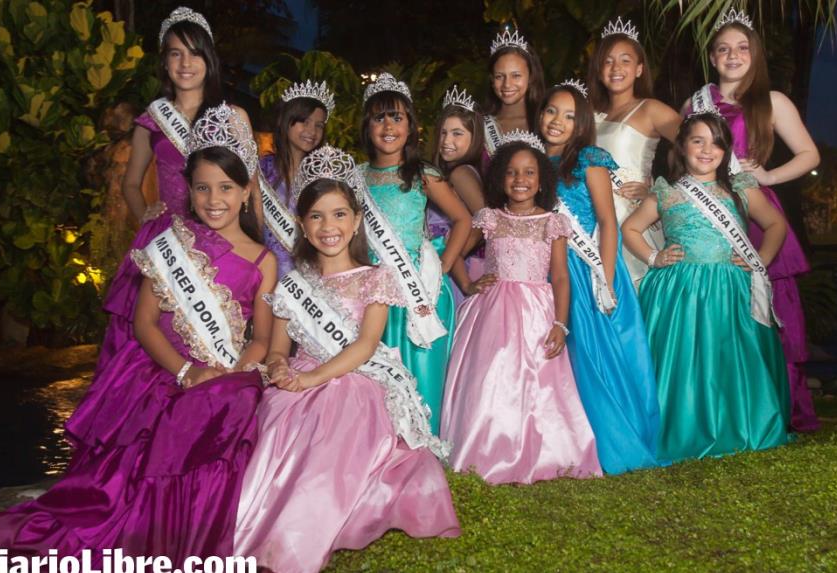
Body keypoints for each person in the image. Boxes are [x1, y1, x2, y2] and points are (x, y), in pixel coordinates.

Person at [0, 104, 277, 560]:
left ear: (247, 190)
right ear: (189, 193)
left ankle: (190, 522)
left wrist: (230, 371)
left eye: (227, 187)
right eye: (203, 188)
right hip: (163, 370)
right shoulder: (169, 243)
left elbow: (262, 340)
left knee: (237, 399)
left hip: (225, 371)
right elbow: (143, 322)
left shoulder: (262, 260)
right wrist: (188, 372)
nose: (215, 199)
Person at [234, 146, 459, 572]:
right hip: (301, 376)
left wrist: (315, 378)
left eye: (339, 214)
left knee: (330, 432)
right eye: (316, 215)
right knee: (275, 424)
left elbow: (365, 345)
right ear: (301, 223)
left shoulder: (375, 279)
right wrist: (280, 365)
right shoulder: (294, 284)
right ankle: (260, 515)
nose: (328, 226)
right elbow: (280, 346)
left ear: (356, 221)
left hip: (353, 378)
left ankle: (300, 527)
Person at [622, 110, 792, 461]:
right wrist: (654, 258)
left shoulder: (740, 188)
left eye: (715, 143)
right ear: (681, 146)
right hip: (678, 291)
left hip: (730, 288)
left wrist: (760, 258)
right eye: (697, 140)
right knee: (681, 359)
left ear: (726, 149)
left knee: (727, 356)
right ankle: (679, 426)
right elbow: (630, 229)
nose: (706, 149)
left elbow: (776, 224)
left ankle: (738, 423)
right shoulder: (666, 191)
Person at [684, 9, 820, 432]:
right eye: (723, 48)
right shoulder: (695, 102)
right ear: (711, 56)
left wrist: (768, 176)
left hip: (755, 213)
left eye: (742, 48)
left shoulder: (773, 100)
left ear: (755, 55)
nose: (733, 55)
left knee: (769, 306)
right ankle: (726, 403)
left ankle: (783, 406)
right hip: (706, 213)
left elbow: (810, 155)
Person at [441, 132, 602, 484]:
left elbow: (560, 277)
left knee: (538, 383)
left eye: (529, 173)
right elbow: (454, 254)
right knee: (491, 379)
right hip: (492, 311)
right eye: (512, 173)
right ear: (500, 177)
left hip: (536, 311)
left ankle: (546, 450)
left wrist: (561, 323)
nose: (520, 180)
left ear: (542, 178)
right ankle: (485, 449)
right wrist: (467, 285)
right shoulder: (490, 218)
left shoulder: (552, 222)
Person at [101, 6, 252, 366]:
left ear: (208, 59)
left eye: (195, 52)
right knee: (155, 337)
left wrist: (253, 238)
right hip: (169, 240)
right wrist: (146, 218)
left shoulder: (234, 116)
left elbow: (252, 188)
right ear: (165, 62)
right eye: (175, 53)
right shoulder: (152, 120)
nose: (186, 63)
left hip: (224, 234)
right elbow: (131, 184)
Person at [538, 81, 662, 474]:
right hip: (549, 271)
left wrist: (605, 278)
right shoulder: (532, 158)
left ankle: (612, 439)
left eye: (570, 115)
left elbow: (608, 222)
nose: (557, 121)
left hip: (589, 267)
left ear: (582, 124)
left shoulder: (589, 158)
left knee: (596, 356)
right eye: (551, 111)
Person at [359, 73, 471, 435]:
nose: (388, 126)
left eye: (397, 117)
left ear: (411, 127)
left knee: (420, 370)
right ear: (367, 126)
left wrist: (444, 264)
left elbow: (462, 220)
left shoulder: (423, 174)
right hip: (372, 291)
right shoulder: (354, 177)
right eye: (379, 117)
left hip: (417, 289)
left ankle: (424, 443)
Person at [588, 17, 682, 287]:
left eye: (625, 60)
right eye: (608, 61)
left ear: (640, 69)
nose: (616, 68)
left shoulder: (651, 108)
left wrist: (657, 191)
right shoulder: (588, 112)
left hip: (629, 216)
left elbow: (698, 147)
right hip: (590, 213)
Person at [258, 80, 333, 277]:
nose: (312, 131)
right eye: (305, 122)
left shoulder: (324, 176)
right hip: (262, 268)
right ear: (287, 120)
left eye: (319, 125)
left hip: (304, 278)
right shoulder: (262, 169)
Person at [431, 85, 487, 299]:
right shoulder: (453, 172)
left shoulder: (461, 173)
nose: (446, 141)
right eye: (443, 133)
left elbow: (487, 219)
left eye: (457, 134)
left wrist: (456, 253)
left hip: (458, 270)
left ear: (474, 138)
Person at [482, 27, 546, 163]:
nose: (507, 84)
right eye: (499, 76)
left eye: (516, 75)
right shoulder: (480, 125)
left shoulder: (545, 121)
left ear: (531, 77)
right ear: (492, 79)